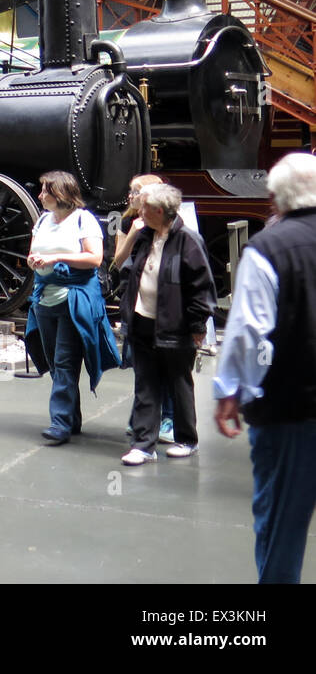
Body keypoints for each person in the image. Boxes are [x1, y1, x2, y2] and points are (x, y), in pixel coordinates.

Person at [215, 153, 316, 583]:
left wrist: (232, 389)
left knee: (280, 526)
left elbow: (251, 333)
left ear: (275, 198)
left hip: (291, 410)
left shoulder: (267, 249)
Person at [117, 184, 216, 466]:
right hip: (142, 322)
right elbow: (129, 271)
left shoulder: (188, 240)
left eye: (145, 208)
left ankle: (186, 440)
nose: (140, 212)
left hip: (176, 326)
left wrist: (197, 326)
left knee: (178, 383)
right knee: (145, 384)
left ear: (160, 211)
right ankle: (143, 445)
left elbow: (201, 287)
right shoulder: (144, 235)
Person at [24, 170, 119, 445]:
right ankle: (71, 418)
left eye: (46, 190)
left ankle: (60, 423)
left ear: (61, 194)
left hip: (72, 299)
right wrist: (33, 261)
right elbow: (33, 253)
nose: (40, 195)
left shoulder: (83, 220)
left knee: (65, 361)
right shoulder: (43, 220)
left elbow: (94, 258)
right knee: (55, 363)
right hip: (44, 298)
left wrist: (55, 258)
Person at [113, 173, 177, 444]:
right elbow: (118, 261)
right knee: (140, 363)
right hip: (134, 298)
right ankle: (141, 416)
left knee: (166, 364)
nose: (130, 196)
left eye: (135, 191)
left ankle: (169, 418)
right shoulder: (127, 221)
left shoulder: (169, 224)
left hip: (162, 304)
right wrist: (133, 233)